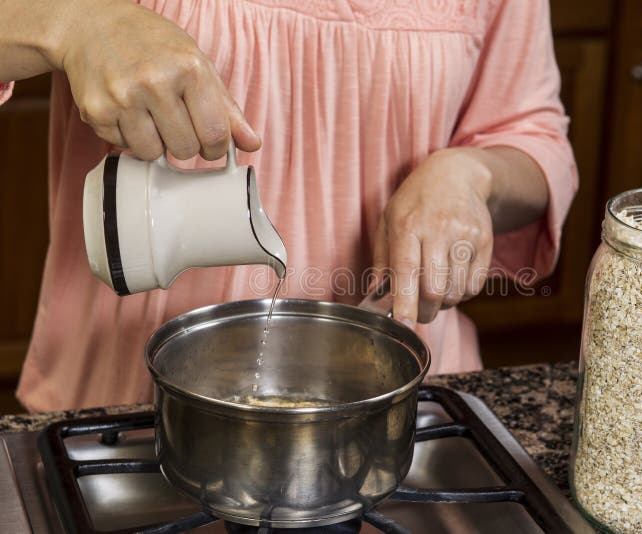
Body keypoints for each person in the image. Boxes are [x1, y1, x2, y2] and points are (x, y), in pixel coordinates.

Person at [0, 0, 577, 412]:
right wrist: (74, 22)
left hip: (402, 402)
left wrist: (470, 175)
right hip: (124, 402)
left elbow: (534, 135)